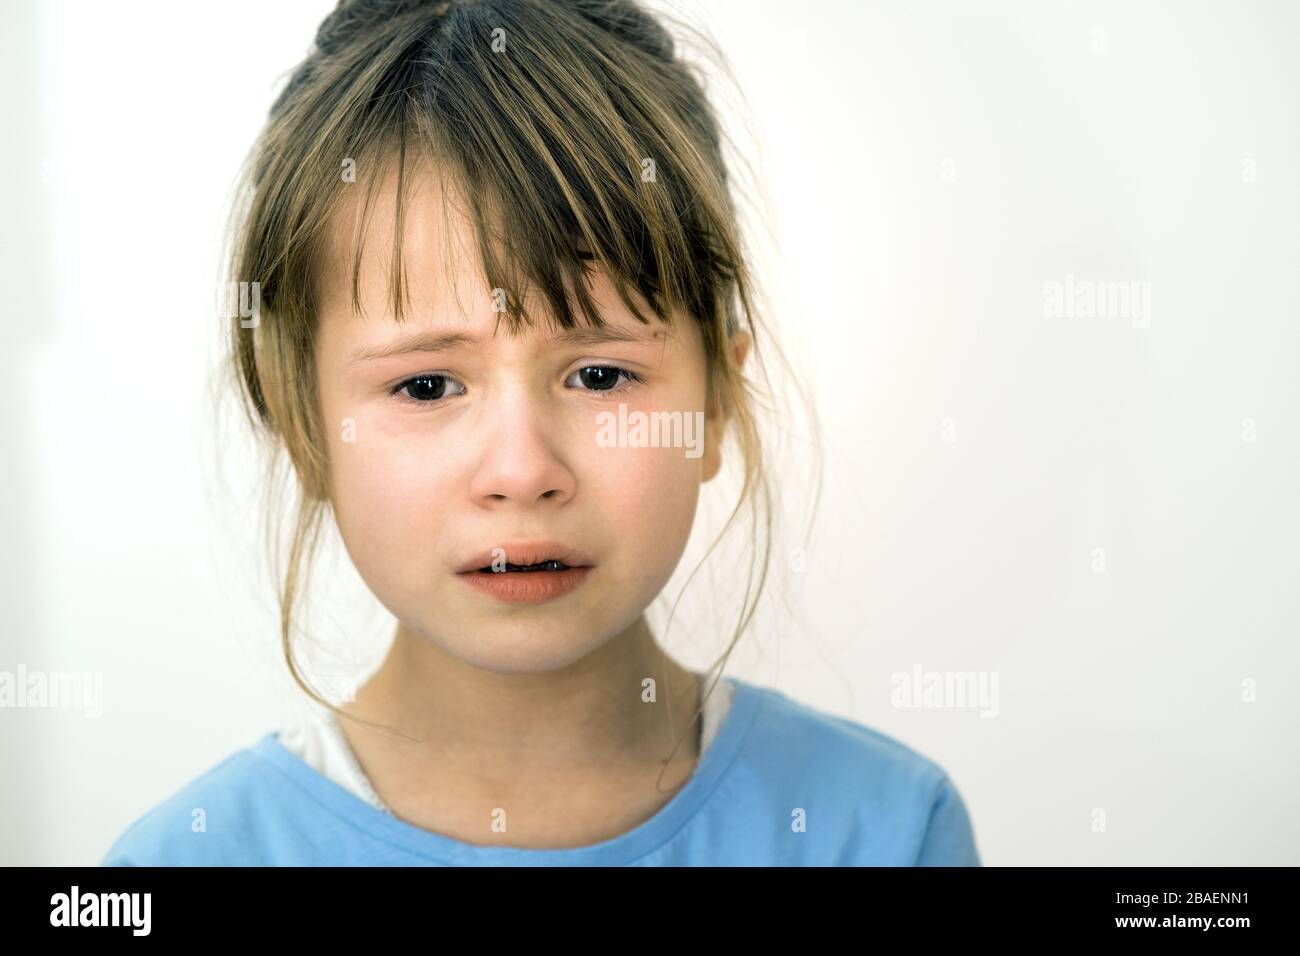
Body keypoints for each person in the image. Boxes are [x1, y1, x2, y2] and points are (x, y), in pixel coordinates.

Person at [101, 0, 980, 866]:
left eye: (600, 376)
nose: (522, 472)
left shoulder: (885, 831)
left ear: (715, 403)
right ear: (303, 426)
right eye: (427, 384)